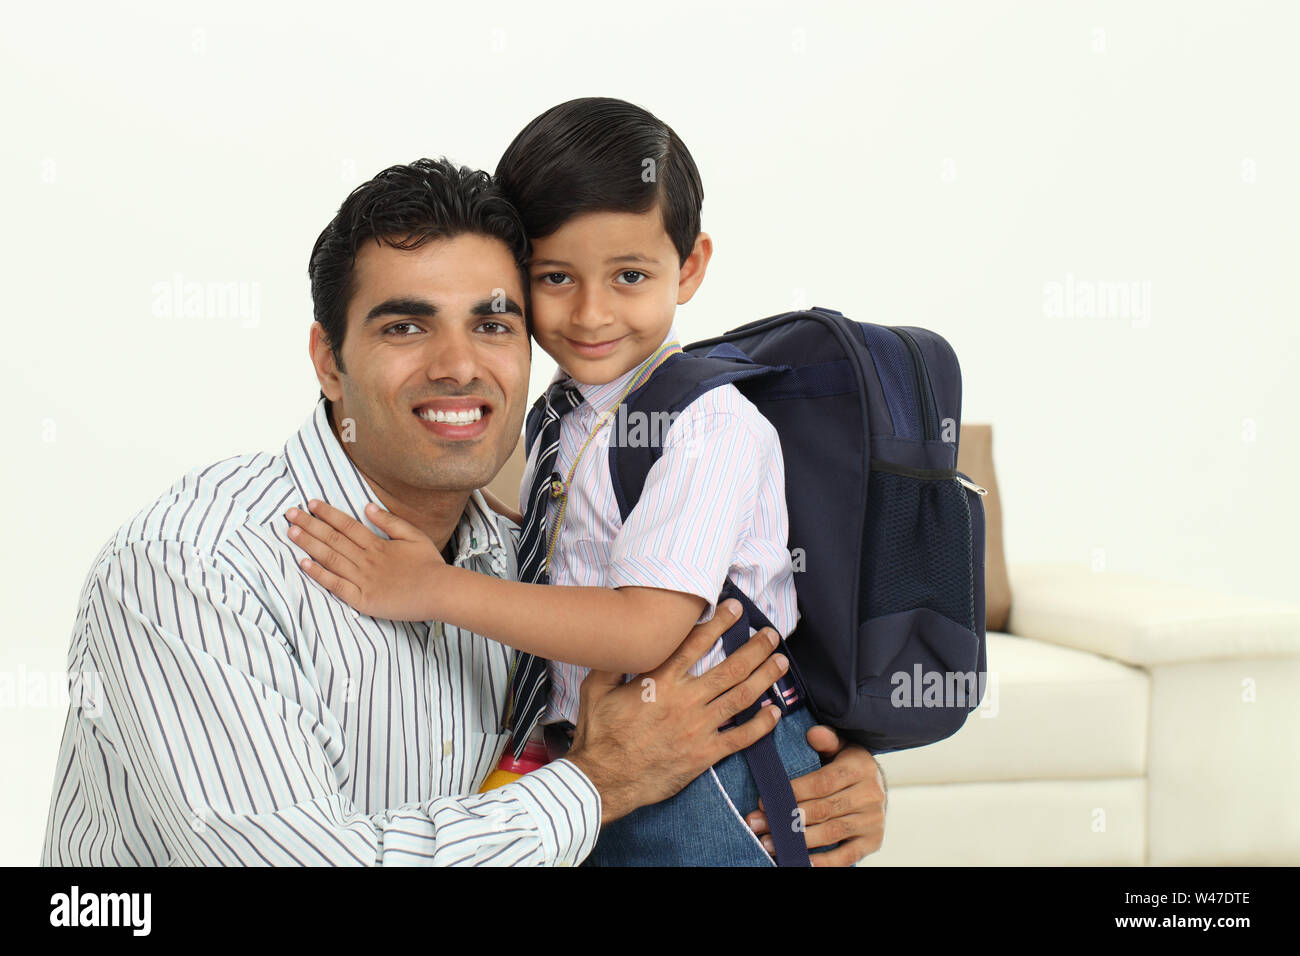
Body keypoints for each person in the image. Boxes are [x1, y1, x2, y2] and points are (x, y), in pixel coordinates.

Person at [41, 156, 885, 866]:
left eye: (493, 323)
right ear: (329, 362)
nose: (458, 366)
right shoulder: (194, 567)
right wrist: (599, 783)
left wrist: (834, 775)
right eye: (406, 327)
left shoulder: (526, 555)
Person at [281, 100, 830, 865]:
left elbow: (646, 627)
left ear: (692, 267)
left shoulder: (709, 425)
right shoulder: (553, 417)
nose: (592, 313)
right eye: (555, 278)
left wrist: (431, 588)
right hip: (598, 763)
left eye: (630, 276)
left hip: (710, 765)